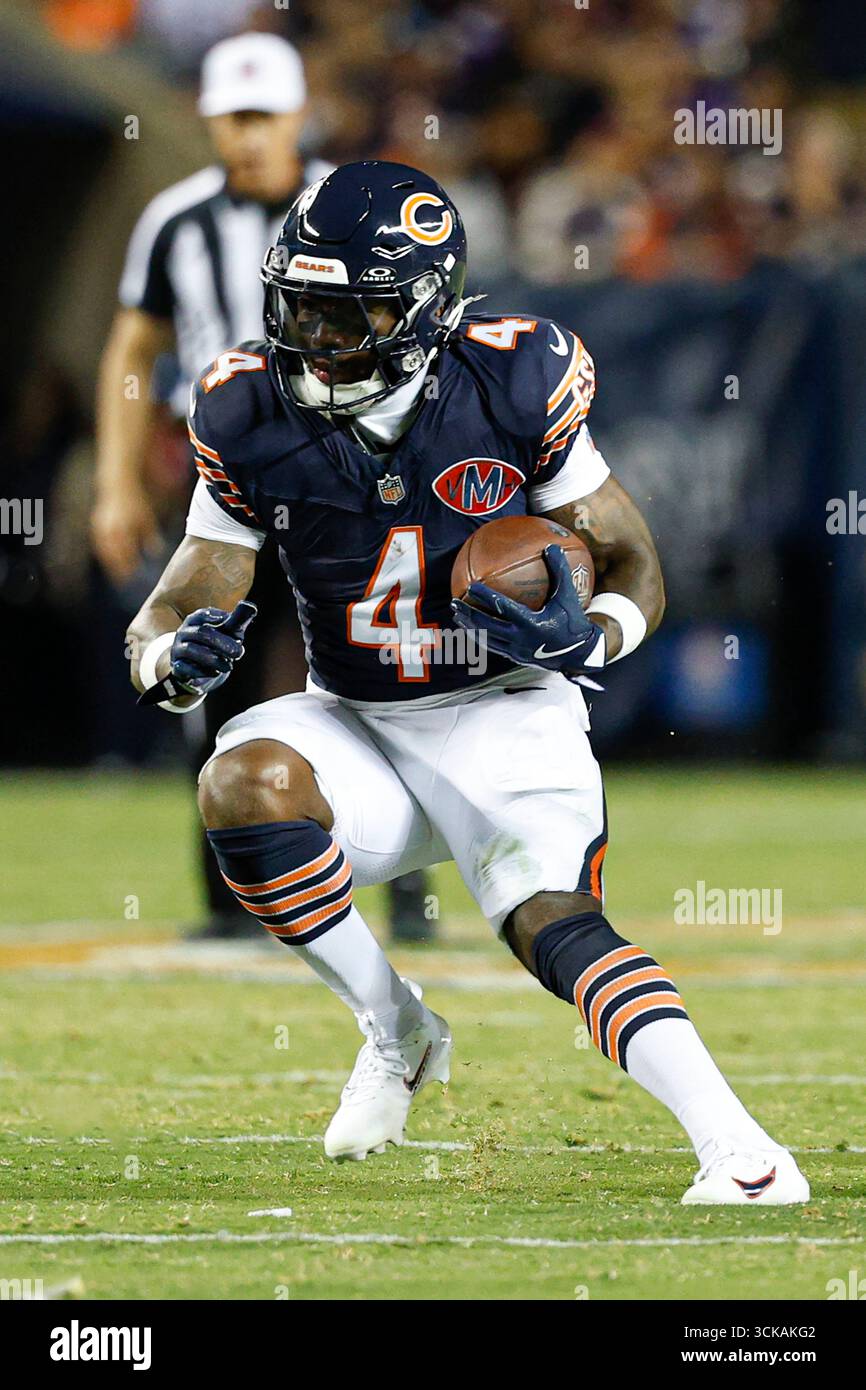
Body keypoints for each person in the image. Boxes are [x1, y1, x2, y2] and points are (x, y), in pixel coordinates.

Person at [127, 161, 809, 1204]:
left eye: (347, 314)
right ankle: (394, 1025)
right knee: (240, 783)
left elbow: (631, 561)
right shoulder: (244, 407)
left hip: (501, 709)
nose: (314, 337)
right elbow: (181, 594)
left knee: (550, 922)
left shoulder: (513, 379)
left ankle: (744, 1154)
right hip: (358, 719)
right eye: (301, 307)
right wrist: (166, 661)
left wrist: (591, 640)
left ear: (425, 308)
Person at [93, 34, 432, 940]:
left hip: (349, 475)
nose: (247, 137)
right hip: (230, 477)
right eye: (231, 118)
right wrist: (115, 483)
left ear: (295, 116)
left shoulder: (356, 205)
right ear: (208, 120)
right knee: (202, 663)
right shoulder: (177, 219)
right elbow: (132, 348)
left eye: (263, 116)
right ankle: (236, 897)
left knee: (371, 668)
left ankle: (409, 883)